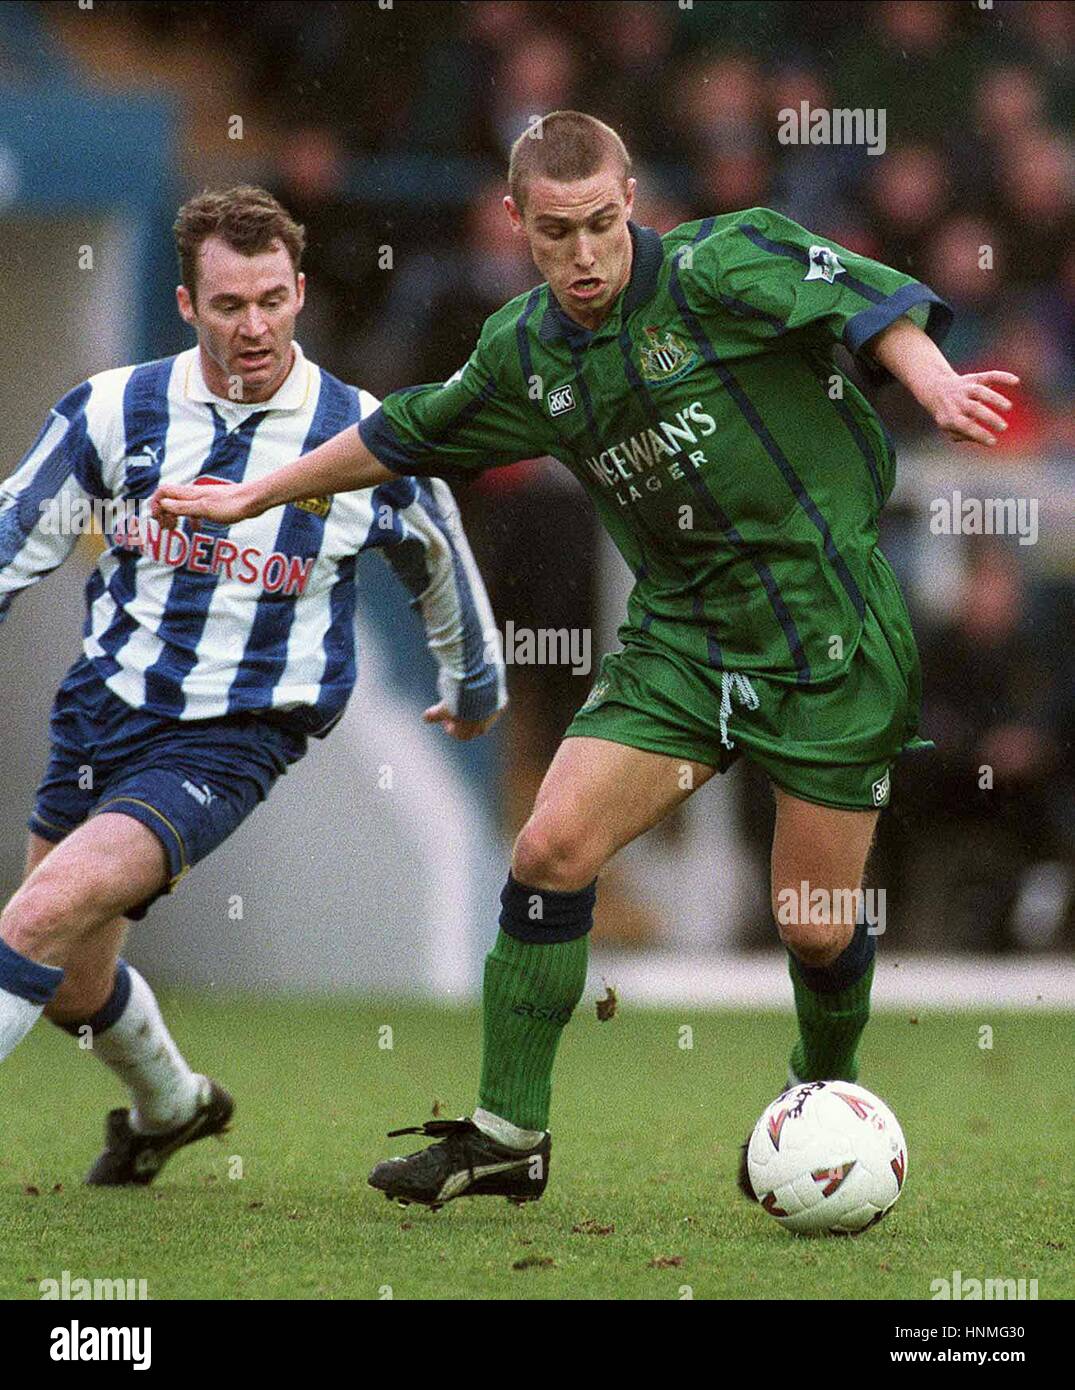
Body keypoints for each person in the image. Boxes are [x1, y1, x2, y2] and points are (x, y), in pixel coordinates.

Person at [151, 114, 1018, 1211]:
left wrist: (934, 383)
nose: (586, 253)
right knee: (551, 847)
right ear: (516, 223)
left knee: (810, 920)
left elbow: (870, 296)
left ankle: (825, 1102)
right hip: (681, 639)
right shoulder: (525, 350)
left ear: (631, 201)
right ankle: (508, 1135)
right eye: (557, 232)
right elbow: (411, 428)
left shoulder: (722, 263)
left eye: (603, 223)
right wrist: (253, 491)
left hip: (827, 633)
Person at [0, 186, 504, 1186]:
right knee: (69, 979)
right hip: (102, 709)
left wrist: (474, 679)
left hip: (234, 734)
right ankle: (174, 1107)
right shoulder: (115, 409)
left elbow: (438, 554)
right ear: (186, 305)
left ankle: (165, 1104)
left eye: (272, 298)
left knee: (34, 913)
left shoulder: (357, 434)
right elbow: (16, 536)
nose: (255, 323)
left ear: (302, 291)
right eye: (229, 304)